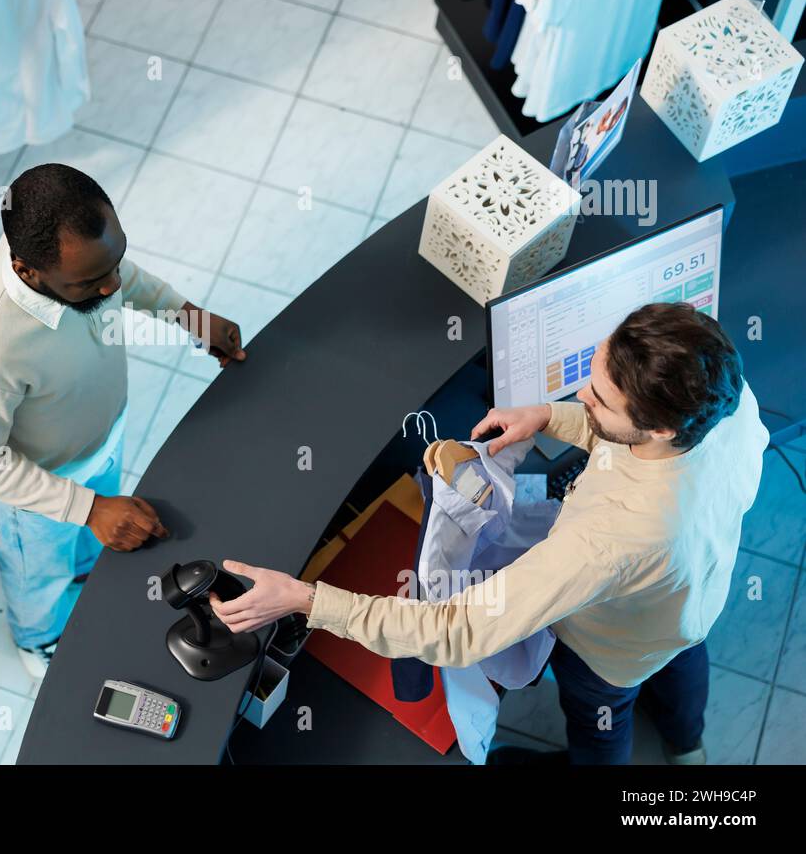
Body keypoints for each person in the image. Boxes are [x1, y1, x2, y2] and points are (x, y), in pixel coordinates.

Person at [211, 302, 767, 765]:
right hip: (691, 599)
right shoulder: (726, 397)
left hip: (609, 651)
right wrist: (549, 417)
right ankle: (685, 745)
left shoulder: (612, 540)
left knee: (601, 715)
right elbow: (639, 447)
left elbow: (458, 632)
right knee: (680, 658)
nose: (583, 399)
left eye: (598, 399)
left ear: (660, 425)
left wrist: (305, 599)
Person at [0, 163, 247, 678]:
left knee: (81, 550)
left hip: (98, 442)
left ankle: (84, 569)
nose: (111, 290)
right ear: (27, 272)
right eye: (89, 283)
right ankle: (38, 639)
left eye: (114, 266)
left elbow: (128, 282)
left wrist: (191, 318)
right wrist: (89, 507)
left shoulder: (83, 267)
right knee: (37, 575)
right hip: (36, 495)